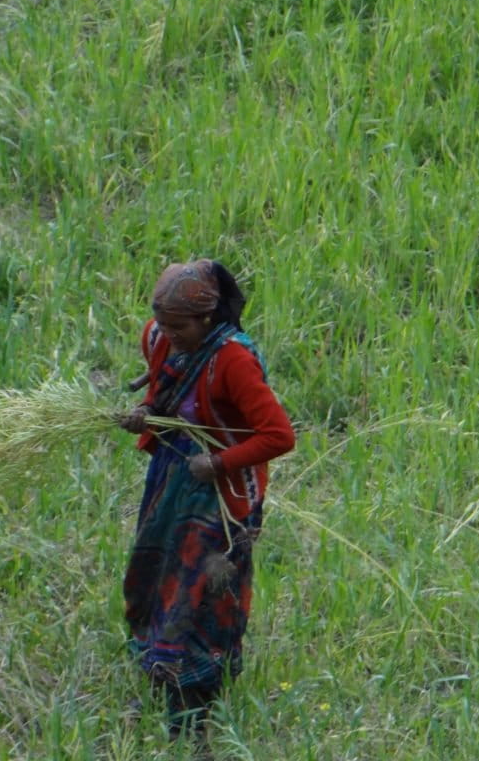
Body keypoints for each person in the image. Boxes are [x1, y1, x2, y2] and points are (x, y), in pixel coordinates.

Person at [119, 259, 295, 741]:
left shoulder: (233, 361)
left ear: (208, 320)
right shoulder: (159, 338)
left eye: (180, 327)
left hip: (221, 492)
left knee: (202, 585)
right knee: (153, 571)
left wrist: (218, 463)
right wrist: (145, 414)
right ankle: (158, 666)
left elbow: (279, 435)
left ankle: (196, 693)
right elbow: (162, 395)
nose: (168, 335)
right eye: (163, 325)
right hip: (173, 475)